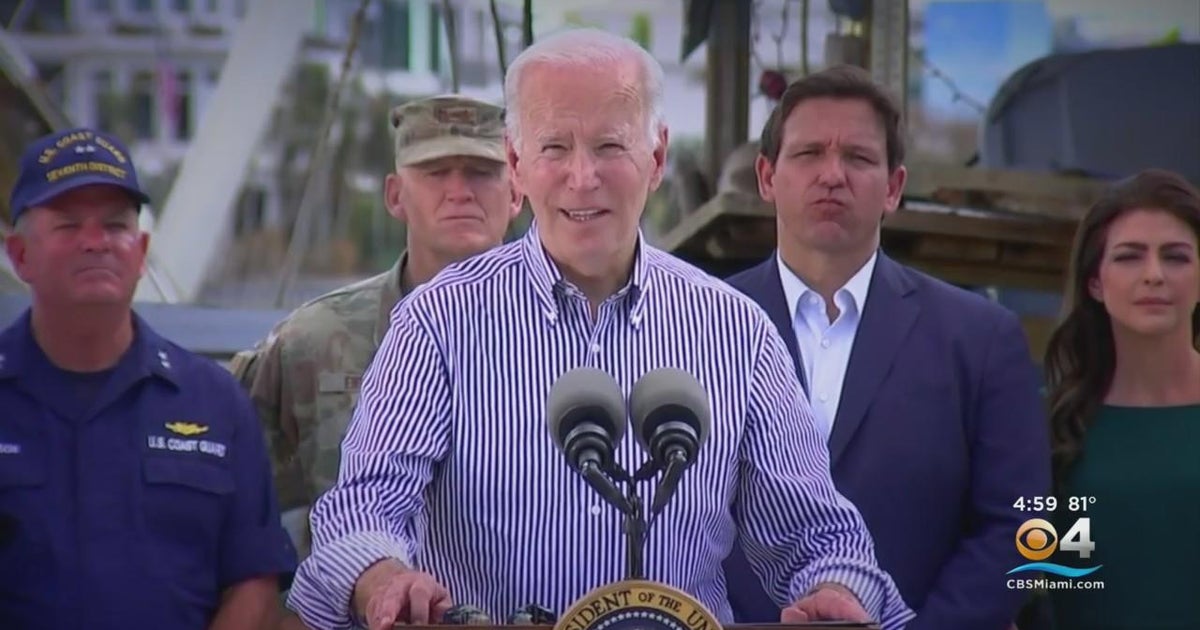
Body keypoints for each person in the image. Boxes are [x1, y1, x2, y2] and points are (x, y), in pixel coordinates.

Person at [284, 29, 913, 630]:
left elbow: (815, 535)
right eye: (554, 148)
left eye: (610, 147)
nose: (582, 177)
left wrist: (835, 590)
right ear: (516, 163)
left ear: (657, 156)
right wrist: (384, 575)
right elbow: (364, 507)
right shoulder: (438, 322)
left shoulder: (737, 331)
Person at [723, 65, 1051, 630]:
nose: (832, 174)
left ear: (894, 187)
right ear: (766, 177)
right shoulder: (697, 327)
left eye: (858, 157)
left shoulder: (983, 337)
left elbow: (1033, 533)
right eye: (808, 154)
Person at [0, 127, 296, 628]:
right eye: (69, 225)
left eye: (115, 226)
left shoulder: (214, 401)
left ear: (140, 253)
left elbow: (253, 581)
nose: (96, 243)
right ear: (20, 255)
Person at [229, 94, 520, 562]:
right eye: (435, 173)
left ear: (517, 192)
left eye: (482, 173)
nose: (460, 191)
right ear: (394, 196)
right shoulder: (312, 342)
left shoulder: (568, 340)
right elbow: (226, 507)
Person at [1043, 169, 1200, 630]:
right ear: (1095, 282)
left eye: (1176, 257)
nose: (1154, 275)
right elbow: (1052, 577)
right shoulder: (1053, 423)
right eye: (1130, 257)